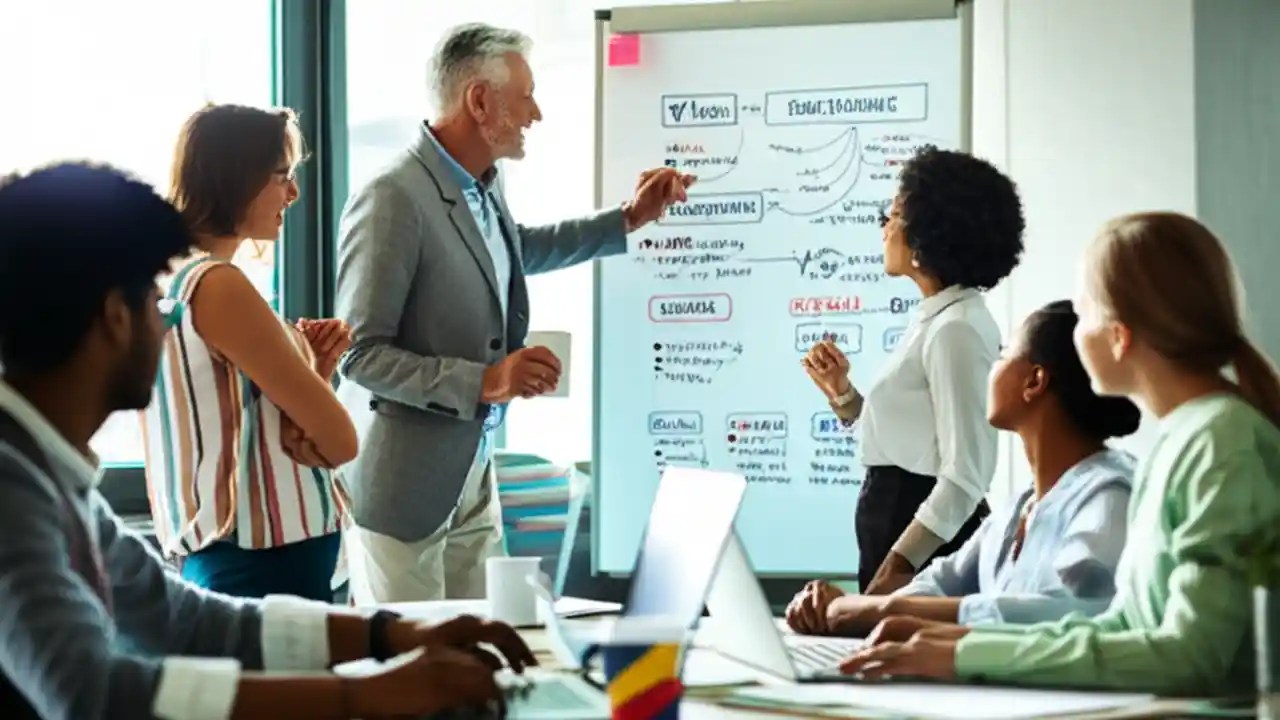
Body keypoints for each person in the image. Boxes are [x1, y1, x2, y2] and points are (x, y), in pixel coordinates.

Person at [0, 162, 537, 720]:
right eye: (157, 308)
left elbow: (184, 619)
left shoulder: (43, 469)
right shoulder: (12, 490)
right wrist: (366, 695)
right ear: (115, 318)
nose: (165, 329)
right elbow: (95, 694)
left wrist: (393, 633)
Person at [840, 212, 1280, 696]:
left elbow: (1190, 656)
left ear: (1119, 334)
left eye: (1085, 314)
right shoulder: (1183, 440)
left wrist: (963, 650)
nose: (1076, 332)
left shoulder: (1220, 442)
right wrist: (959, 643)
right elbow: (1123, 627)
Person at [335, 22, 693, 603]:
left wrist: (628, 219)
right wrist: (488, 380)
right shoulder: (392, 196)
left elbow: (515, 251)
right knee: (415, 677)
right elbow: (361, 354)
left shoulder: (481, 186)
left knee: (485, 654)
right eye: (525, 95)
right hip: (406, 493)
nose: (537, 113)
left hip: (472, 475)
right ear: (480, 100)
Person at [787, 300, 1140, 637]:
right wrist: (847, 605)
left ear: (1034, 381)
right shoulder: (1019, 507)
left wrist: (868, 610)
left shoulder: (1109, 495)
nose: (989, 369)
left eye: (1002, 355)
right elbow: (941, 582)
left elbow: (1074, 611)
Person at [141, 104, 358, 601]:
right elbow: (343, 442)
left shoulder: (166, 276)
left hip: (229, 554)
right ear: (235, 178)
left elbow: (243, 419)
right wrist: (316, 426)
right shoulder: (217, 286)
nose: (294, 193)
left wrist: (317, 368)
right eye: (282, 175)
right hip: (268, 560)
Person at [801, 146, 1025, 594]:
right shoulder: (937, 318)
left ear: (927, 236)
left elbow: (966, 475)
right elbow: (907, 444)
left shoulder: (955, 331)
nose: (884, 226)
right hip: (894, 527)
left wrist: (896, 571)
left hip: (918, 543)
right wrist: (843, 396)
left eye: (895, 214)